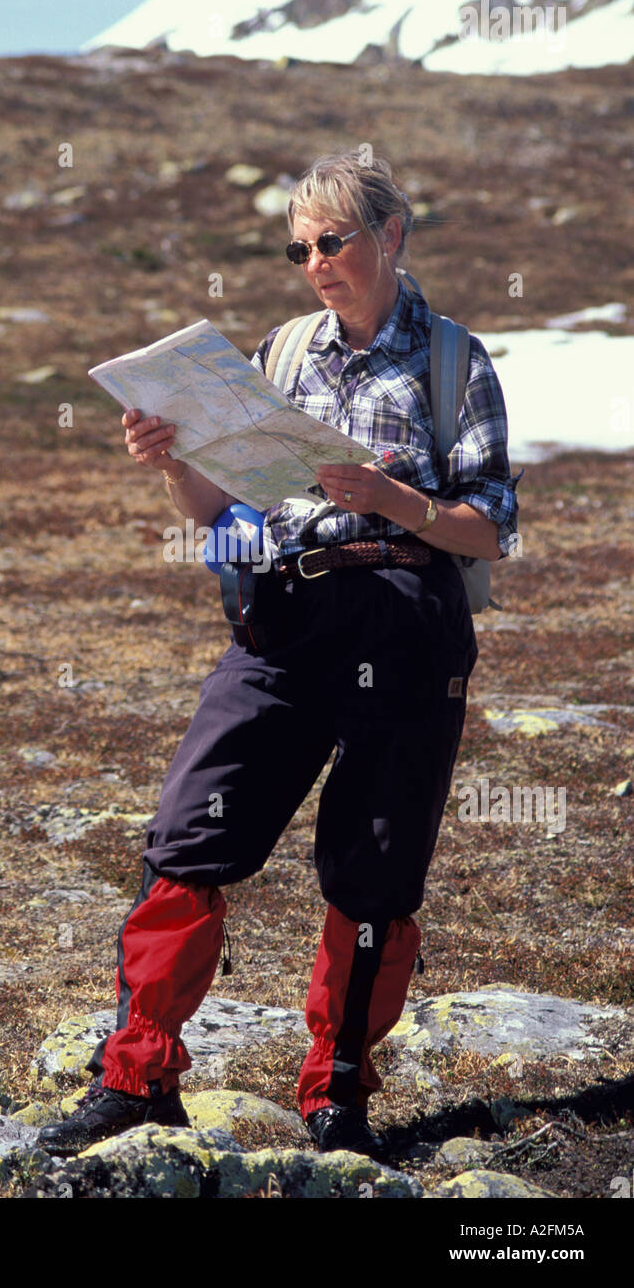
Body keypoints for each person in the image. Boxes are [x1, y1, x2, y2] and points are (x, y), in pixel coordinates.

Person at [39, 150, 520, 1161]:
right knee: (184, 835)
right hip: (281, 621)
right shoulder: (280, 349)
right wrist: (173, 462)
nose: (313, 262)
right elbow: (217, 509)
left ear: (391, 235)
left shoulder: (451, 359)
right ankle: (137, 1077)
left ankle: (336, 1095)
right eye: (298, 247)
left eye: (331, 241)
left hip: (404, 623)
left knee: (372, 873)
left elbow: (487, 526)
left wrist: (395, 502)